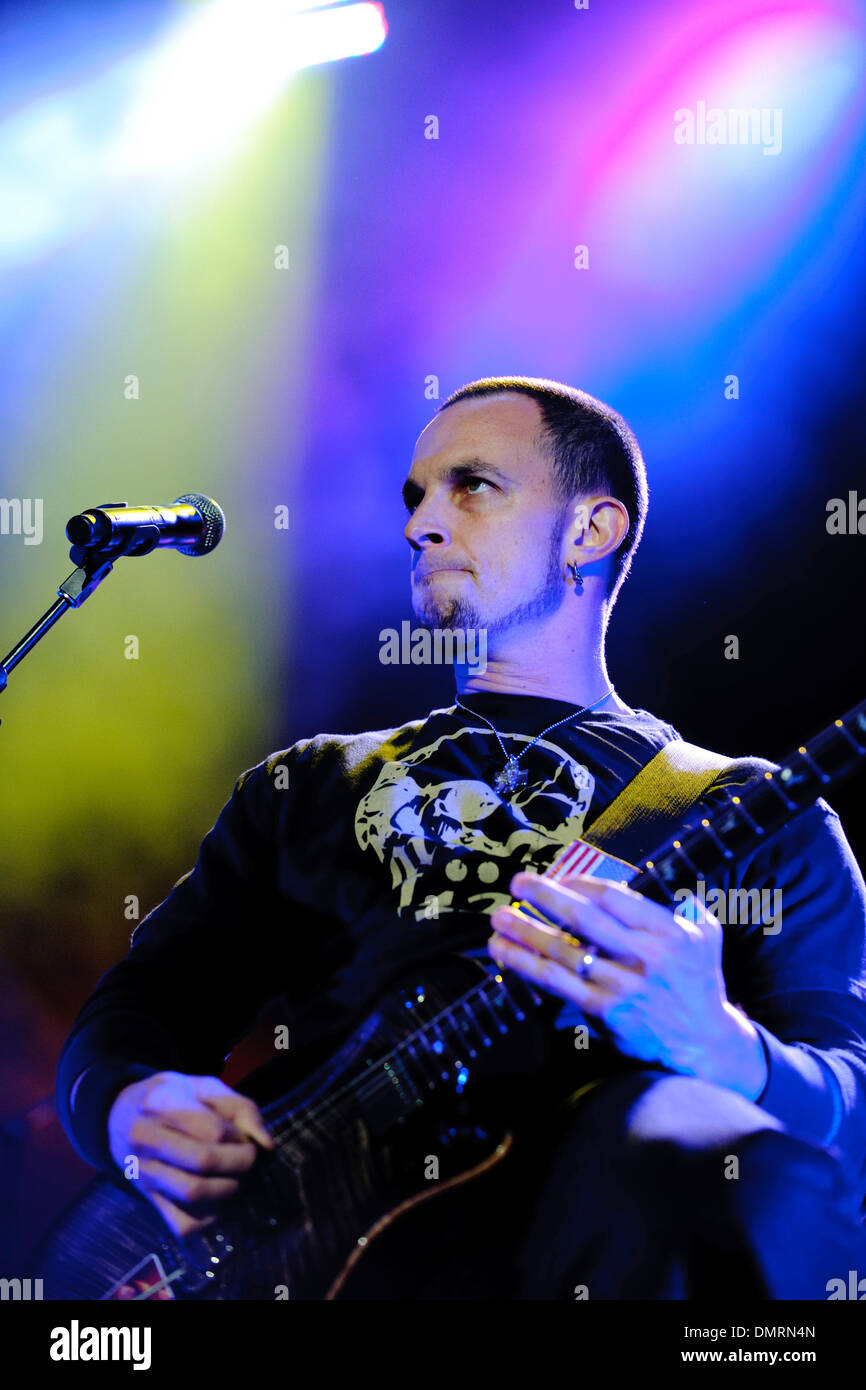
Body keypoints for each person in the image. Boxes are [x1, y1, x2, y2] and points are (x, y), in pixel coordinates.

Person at [56, 377, 866, 1299]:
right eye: (415, 496)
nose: (419, 524)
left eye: (471, 485)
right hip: (287, 1261)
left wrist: (725, 1050)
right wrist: (128, 1108)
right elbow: (145, 1002)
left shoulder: (751, 811)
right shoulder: (312, 783)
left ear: (590, 532)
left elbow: (851, 1106)